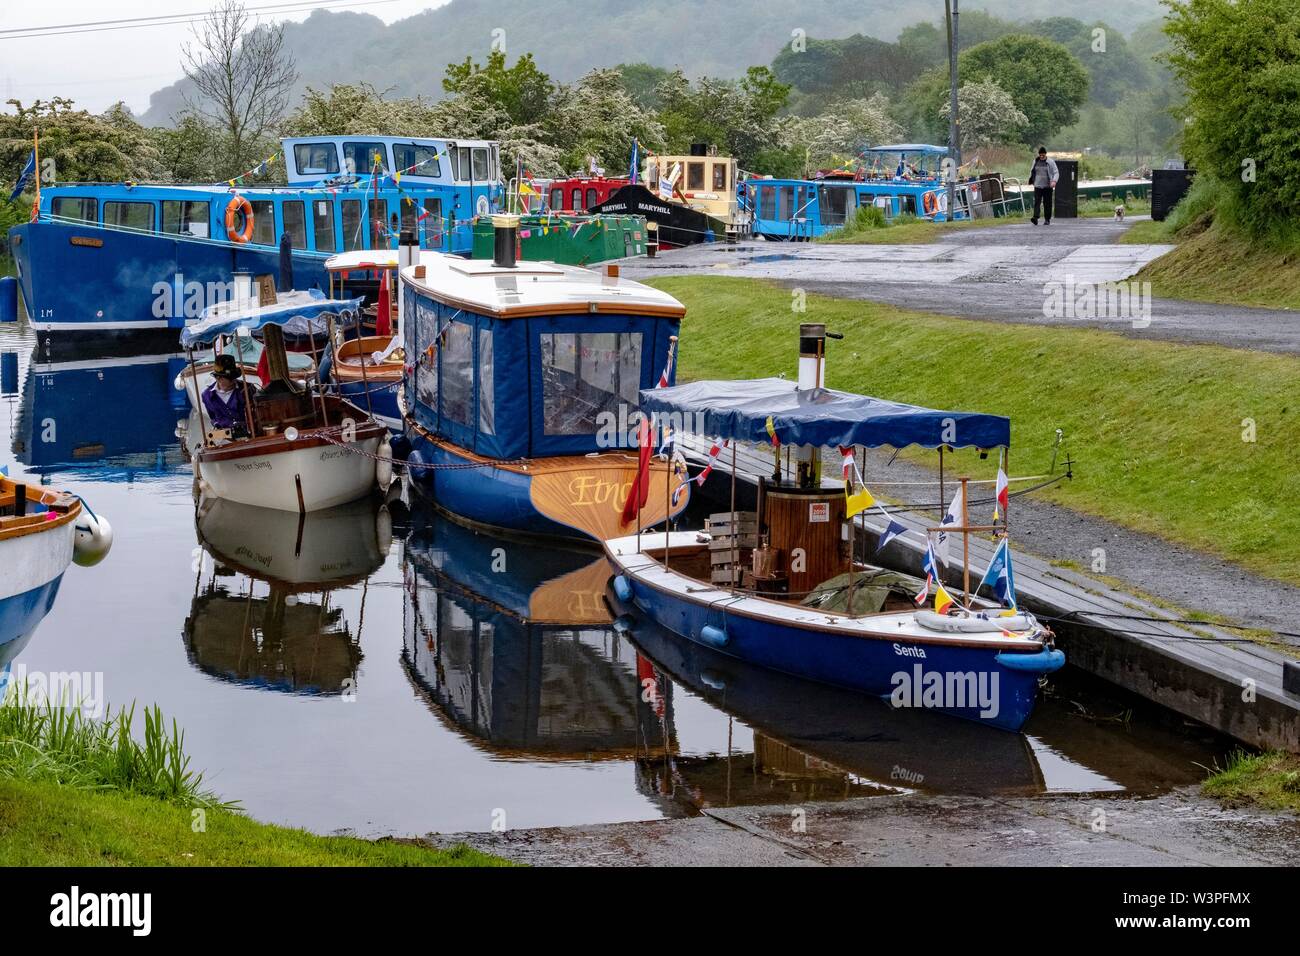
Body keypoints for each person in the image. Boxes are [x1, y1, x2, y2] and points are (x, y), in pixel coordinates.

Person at [201, 354, 251, 436]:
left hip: (249, 435)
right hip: (224, 439)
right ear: (218, 378)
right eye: (230, 378)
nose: (233, 379)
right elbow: (213, 418)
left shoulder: (247, 389)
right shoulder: (207, 396)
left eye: (234, 376)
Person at [1028, 146, 1059, 225]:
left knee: (1047, 203)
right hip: (1038, 185)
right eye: (1040, 155)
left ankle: (1047, 219)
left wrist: (1054, 181)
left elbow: (1056, 172)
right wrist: (1031, 180)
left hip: (1047, 186)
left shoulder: (1050, 162)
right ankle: (1035, 217)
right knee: (1037, 202)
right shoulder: (1035, 161)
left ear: (1045, 154)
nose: (1041, 156)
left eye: (1043, 155)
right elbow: (1032, 171)